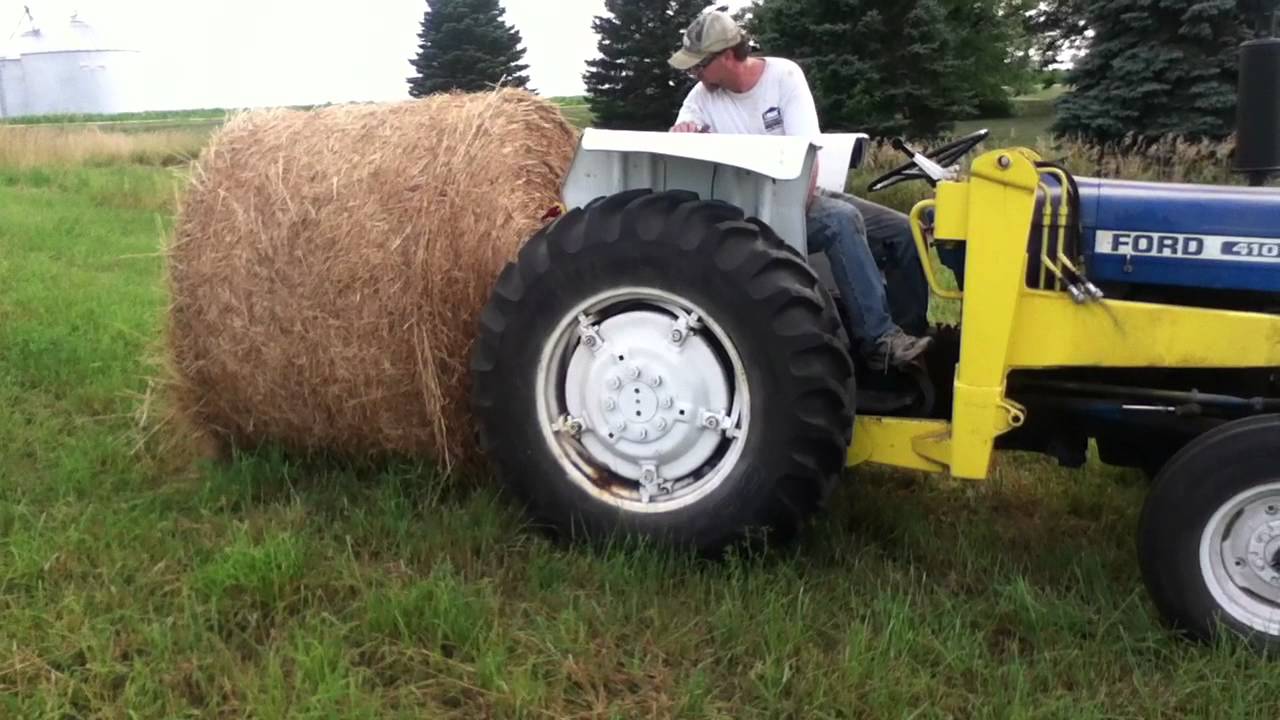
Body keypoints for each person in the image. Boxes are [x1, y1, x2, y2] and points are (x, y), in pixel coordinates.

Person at [667, 7, 932, 370]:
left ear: (728, 55)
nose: (694, 73)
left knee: (903, 231)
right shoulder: (702, 97)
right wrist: (682, 134)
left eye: (699, 65)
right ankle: (879, 342)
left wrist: (800, 204)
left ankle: (910, 339)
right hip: (751, 209)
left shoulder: (784, 76)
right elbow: (681, 132)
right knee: (841, 221)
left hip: (798, 192)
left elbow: (807, 158)